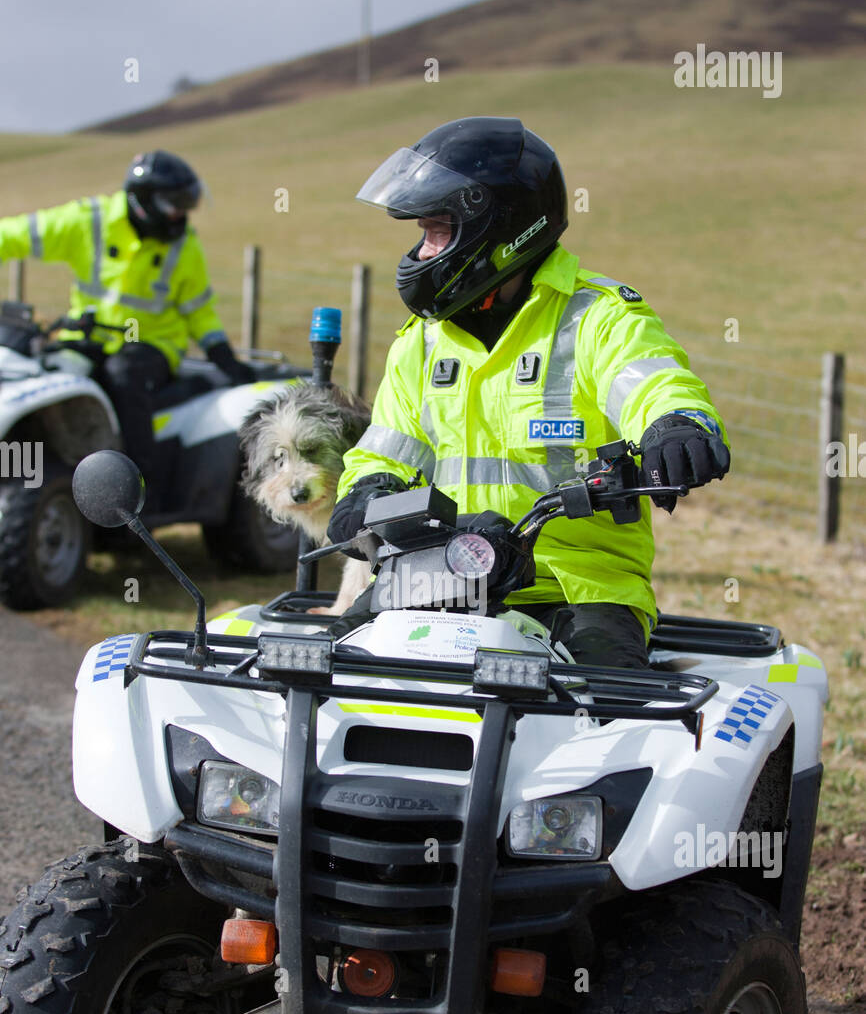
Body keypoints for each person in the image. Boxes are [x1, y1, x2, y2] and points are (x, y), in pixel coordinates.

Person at [326, 116, 731, 666]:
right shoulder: (420, 344)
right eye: (422, 235)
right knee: (329, 679)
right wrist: (366, 491)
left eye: (438, 232)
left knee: (599, 718)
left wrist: (677, 425)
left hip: (576, 588)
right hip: (432, 575)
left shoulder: (599, 318)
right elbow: (384, 451)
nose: (422, 253)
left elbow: (656, 383)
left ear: (501, 227)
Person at [0, 150, 254, 504]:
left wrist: (222, 355)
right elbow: (13, 235)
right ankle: (38, 478)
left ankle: (133, 490)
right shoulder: (90, 220)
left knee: (123, 376)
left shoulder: (184, 246)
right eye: (174, 204)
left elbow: (199, 311)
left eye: (186, 205)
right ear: (142, 201)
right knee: (48, 380)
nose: (181, 214)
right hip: (84, 339)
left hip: (152, 344)